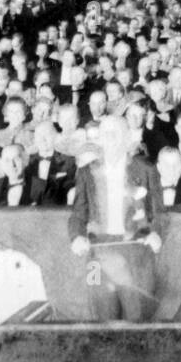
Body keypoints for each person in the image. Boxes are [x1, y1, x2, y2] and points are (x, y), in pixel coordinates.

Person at [68, 116, 165, 322]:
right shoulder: (86, 172)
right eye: (105, 134)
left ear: (126, 138)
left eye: (115, 133)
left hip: (134, 251)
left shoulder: (146, 169)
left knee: (135, 315)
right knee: (99, 312)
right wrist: (76, 236)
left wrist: (155, 233)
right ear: (99, 140)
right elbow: (78, 213)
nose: (109, 138)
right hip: (96, 255)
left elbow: (158, 213)